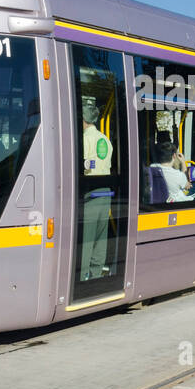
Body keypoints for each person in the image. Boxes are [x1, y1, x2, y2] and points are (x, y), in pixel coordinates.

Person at [78, 102, 113, 281]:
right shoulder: (104, 139)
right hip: (106, 193)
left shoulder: (84, 139)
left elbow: (82, 167)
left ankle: (83, 276)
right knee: (101, 239)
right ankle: (96, 274)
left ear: (83, 119)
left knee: (87, 240)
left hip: (90, 193)